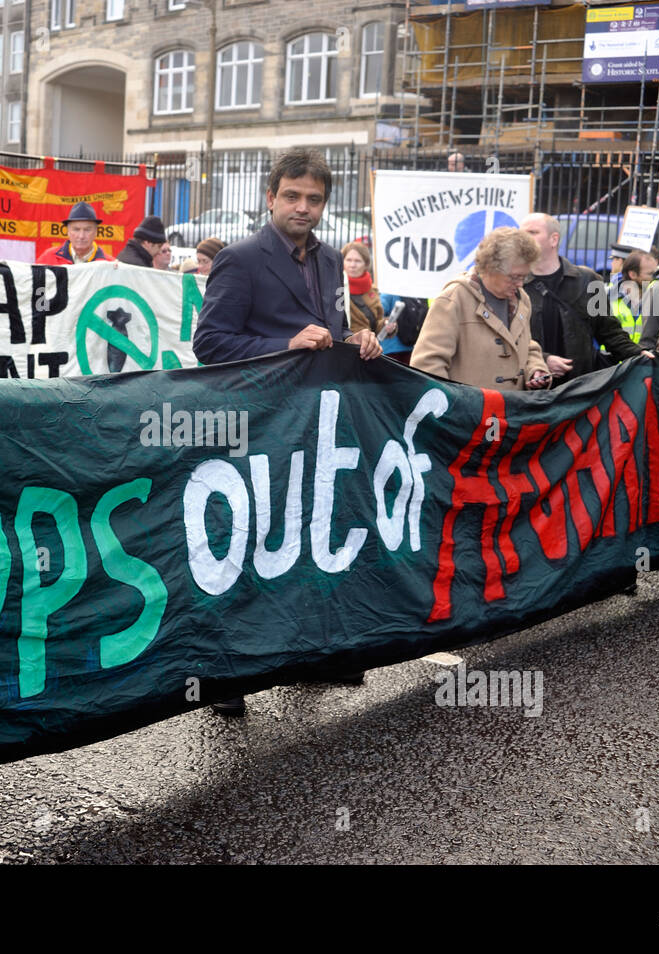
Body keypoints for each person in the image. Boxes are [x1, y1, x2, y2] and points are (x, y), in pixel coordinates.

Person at [192, 146, 381, 715]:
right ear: (271, 197)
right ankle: (225, 673)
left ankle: (309, 654)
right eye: (293, 196)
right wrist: (286, 343)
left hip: (314, 425)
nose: (303, 207)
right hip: (256, 425)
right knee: (246, 546)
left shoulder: (327, 261)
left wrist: (357, 338)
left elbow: (329, 328)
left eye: (314, 199)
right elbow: (210, 344)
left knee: (307, 538)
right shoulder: (241, 258)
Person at [410, 227, 550, 390]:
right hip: (470, 413)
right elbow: (427, 364)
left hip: (513, 411)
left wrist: (536, 370)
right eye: (514, 277)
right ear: (491, 268)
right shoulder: (454, 299)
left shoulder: (522, 299)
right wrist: (453, 407)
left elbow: (526, 344)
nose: (520, 284)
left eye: (524, 277)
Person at [519, 212, 643, 382]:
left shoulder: (589, 280)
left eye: (532, 233)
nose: (524, 239)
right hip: (530, 388)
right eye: (521, 233)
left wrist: (639, 354)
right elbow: (510, 341)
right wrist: (543, 360)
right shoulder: (515, 284)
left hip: (579, 387)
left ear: (554, 239)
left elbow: (609, 331)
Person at [36, 201, 112, 264]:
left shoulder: (109, 264)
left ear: (96, 232)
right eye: (76, 229)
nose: (81, 236)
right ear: (68, 231)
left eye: (87, 230)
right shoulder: (48, 258)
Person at [612, 249, 658, 343]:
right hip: (612, 357)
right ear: (633, 274)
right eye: (651, 274)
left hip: (644, 357)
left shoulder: (658, 299)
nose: (657, 278)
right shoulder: (607, 299)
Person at [341, 241, 384, 335]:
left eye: (357, 261)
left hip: (368, 346)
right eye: (348, 260)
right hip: (344, 344)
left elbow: (376, 325)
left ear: (366, 264)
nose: (352, 265)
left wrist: (386, 326)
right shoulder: (336, 287)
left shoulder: (372, 290)